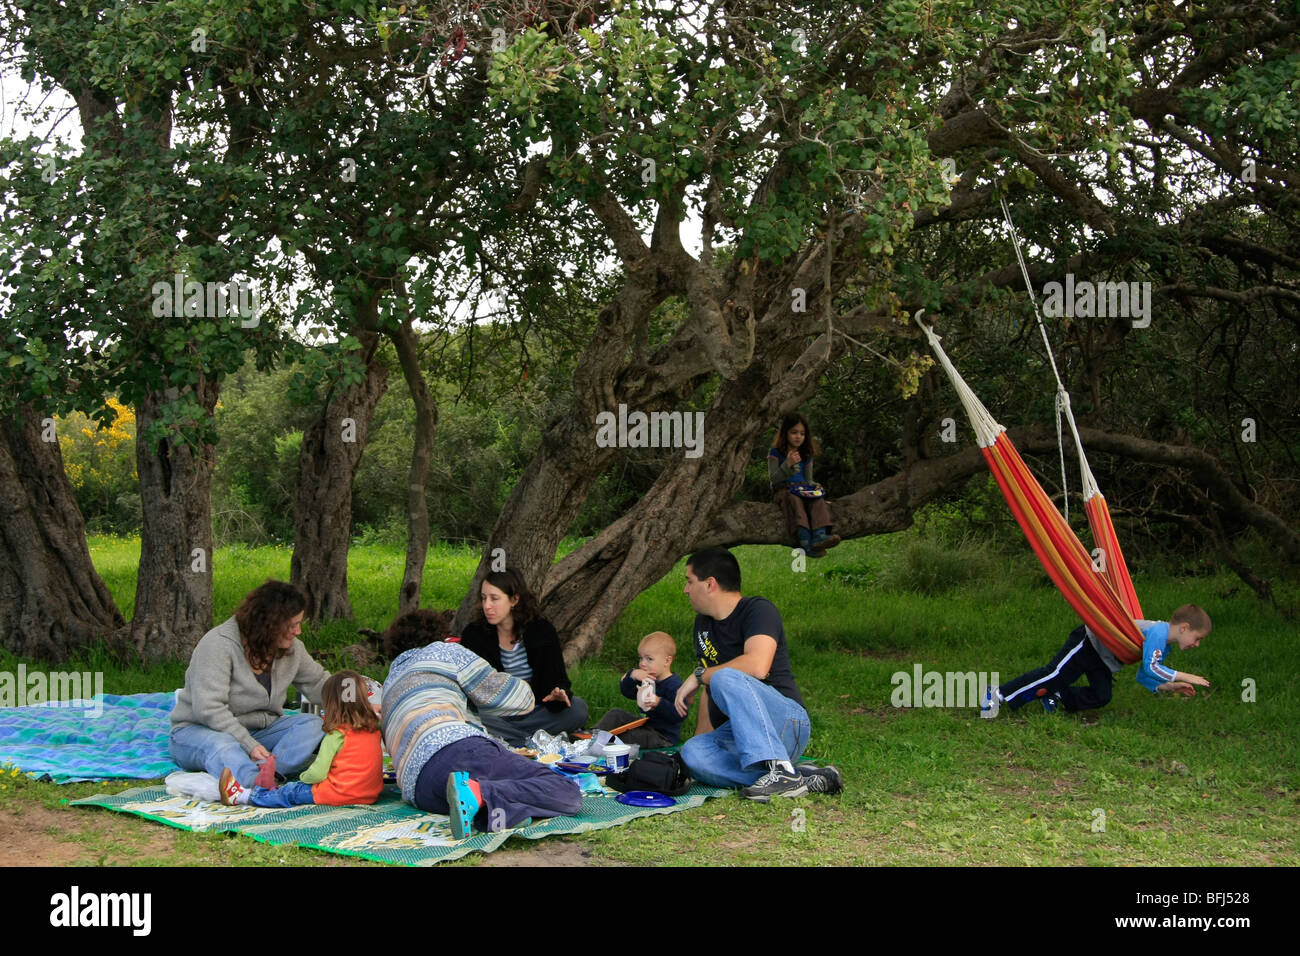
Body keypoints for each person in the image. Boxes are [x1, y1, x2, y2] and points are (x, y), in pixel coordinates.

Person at [381, 610, 583, 840]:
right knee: (565, 792)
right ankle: (477, 792)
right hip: (455, 748)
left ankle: (499, 810)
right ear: (441, 636)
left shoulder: (389, 683)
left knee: (496, 796)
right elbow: (516, 699)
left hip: (418, 789)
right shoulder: (445, 651)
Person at [673, 548, 843, 801]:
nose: (685, 590)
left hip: (786, 723)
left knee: (723, 676)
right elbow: (710, 687)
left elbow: (757, 665)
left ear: (710, 584)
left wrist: (699, 675)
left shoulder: (758, 610)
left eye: (689, 581)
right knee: (692, 753)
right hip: (739, 733)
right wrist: (700, 741)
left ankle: (780, 768)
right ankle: (798, 777)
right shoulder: (703, 624)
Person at [171, 580, 328, 788]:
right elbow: (209, 709)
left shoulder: (292, 648)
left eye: (299, 624)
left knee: (312, 723)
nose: (298, 631)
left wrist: (358, 702)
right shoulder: (218, 645)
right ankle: (252, 782)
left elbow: (319, 683)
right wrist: (248, 744)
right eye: (292, 625)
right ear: (269, 624)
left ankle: (272, 773)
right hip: (203, 731)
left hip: (261, 731)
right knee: (223, 745)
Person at [982, 605, 1212, 717]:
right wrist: (1184, 675)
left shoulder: (1165, 646)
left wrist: (1170, 686)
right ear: (1184, 628)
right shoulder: (1158, 632)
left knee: (1102, 696)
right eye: (1197, 638)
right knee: (1053, 675)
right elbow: (1151, 666)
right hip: (1089, 642)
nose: (1197, 644)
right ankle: (997, 694)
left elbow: (1145, 675)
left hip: (1104, 659)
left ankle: (1057, 695)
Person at [459, 569, 589, 745]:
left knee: (578, 709)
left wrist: (559, 694)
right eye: (483, 598)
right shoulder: (474, 634)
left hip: (534, 712)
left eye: (494, 599)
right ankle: (528, 740)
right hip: (494, 716)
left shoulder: (541, 630)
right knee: (466, 716)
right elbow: (469, 688)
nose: (487, 605)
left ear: (514, 600)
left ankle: (511, 741)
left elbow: (558, 679)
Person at [218, 670, 383, 807]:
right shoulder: (374, 731)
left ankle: (244, 796)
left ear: (330, 705)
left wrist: (304, 778)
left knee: (290, 791)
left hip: (339, 793)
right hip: (369, 794)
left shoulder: (336, 735)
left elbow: (318, 773)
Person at [593, 631, 685, 749]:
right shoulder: (646, 678)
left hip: (663, 736)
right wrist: (632, 675)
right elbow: (627, 692)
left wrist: (658, 702)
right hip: (644, 725)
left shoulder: (674, 685)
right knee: (616, 713)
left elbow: (679, 715)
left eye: (649, 659)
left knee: (627, 736)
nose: (642, 664)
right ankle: (591, 736)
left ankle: (604, 744)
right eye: (641, 658)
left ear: (667, 661)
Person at [768, 413, 840, 558]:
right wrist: (787, 464)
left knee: (817, 499)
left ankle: (820, 536)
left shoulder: (806, 453)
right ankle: (805, 540)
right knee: (795, 500)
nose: (798, 437)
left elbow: (809, 480)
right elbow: (774, 479)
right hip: (784, 490)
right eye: (794, 432)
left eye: (802, 433)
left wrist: (816, 487)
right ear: (785, 433)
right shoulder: (775, 452)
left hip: (803, 488)